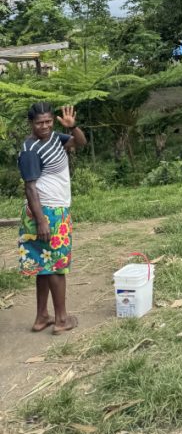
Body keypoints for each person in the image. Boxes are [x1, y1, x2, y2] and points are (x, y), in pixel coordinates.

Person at [17, 102, 86, 334]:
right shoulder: (30, 149)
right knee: (56, 267)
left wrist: (72, 127)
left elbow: (80, 142)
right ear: (31, 123)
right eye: (40, 123)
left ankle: (41, 317)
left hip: (52, 211)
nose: (45, 126)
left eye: (48, 121)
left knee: (44, 265)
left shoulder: (56, 138)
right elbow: (30, 187)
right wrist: (42, 221)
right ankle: (62, 320)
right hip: (48, 212)